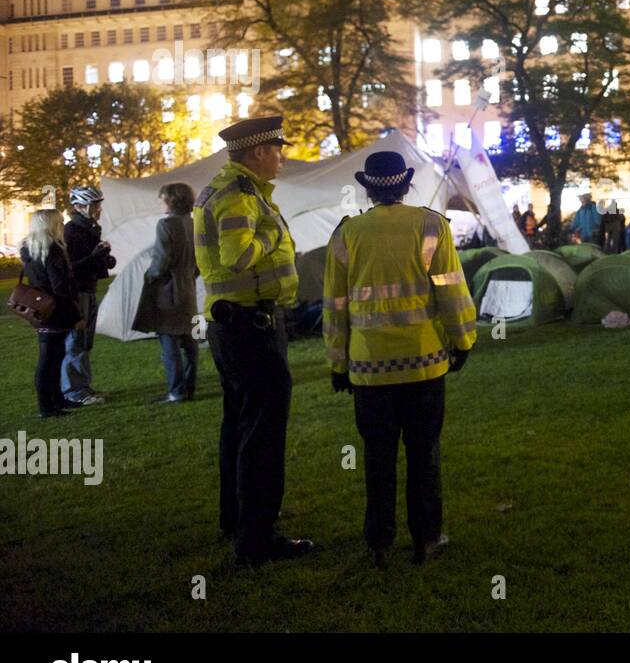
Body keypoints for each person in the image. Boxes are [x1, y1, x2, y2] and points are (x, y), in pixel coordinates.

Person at [324, 151, 478, 569]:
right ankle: (426, 539)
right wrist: (463, 340)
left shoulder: (346, 234)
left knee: (377, 457)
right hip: (424, 364)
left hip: (369, 370)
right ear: (405, 184)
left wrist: (339, 364)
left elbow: (335, 306)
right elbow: (450, 289)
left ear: (368, 188)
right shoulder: (431, 226)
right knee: (424, 452)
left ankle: (378, 543)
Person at [195, 115, 313, 567]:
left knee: (240, 427)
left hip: (236, 325)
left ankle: (238, 520)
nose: (282, 157)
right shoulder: (240, 197)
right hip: (251, 327)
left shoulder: (231, 190)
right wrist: (271, 237)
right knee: (263, 433)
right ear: (258, 152)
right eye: (277, 149)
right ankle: (258, 538)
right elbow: (239, 255)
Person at [132, 182, 199, 403]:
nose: (161, 202)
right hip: (188, 286)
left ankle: (176, 390)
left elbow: (161, 259)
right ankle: (189, 387)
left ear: (171, 200)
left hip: (169, 289)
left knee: (169, 341)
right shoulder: (193, 223)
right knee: (189, 342)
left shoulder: (166, 225)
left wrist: (151, 276)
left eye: (163, 198)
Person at [19, 210, 84, 419]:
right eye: (60, 222)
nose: (63, 225)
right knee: (50, 360)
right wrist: (76, 314)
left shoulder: (30, 250)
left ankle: (55, 400)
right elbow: (60, 286)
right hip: (56, 310)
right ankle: (47, 406)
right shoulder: (52, 250)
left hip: (40, 308)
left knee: (52, 358)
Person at [62, 187, 115, 406]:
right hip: (78, 292)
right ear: (80, 207)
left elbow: (90, 263)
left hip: (89, 289)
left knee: (85, 342)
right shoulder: (72, 232)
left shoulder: (90, 229)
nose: (99, 209)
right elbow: (70, 268)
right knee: (76, 341)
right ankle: (74, 390)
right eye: (95, 205)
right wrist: (95, 257)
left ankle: (81, 385)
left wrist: (104, 260)